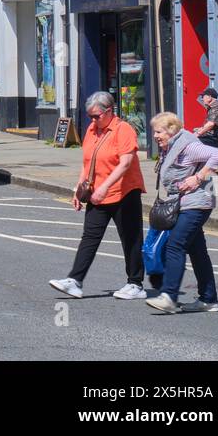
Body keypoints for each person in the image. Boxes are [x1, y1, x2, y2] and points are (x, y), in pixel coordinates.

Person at [49, 91, 148, 300]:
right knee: (90, 237)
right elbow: (88, 162)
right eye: (90, 117)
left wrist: (105, 186)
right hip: (97, 194)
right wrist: (78, 188)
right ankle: (75, 280)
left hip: (124, 192)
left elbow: (126, 163)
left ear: (109, 111)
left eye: (96, 116)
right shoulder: (93, 130)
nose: (93, 120)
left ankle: (136, 284)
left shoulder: (123, 130)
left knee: (131, 238)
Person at [146, 112, 218, 314]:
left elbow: (217, 155)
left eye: (158, 131)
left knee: (175, 245)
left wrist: (197, 178)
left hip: (197, 201)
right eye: (154, 131)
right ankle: (208, 299)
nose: (155, 135)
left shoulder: (188, 146)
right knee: (197, 251)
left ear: (171, 130)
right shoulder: (172, 145)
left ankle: (169, 296)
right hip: (187, 201)